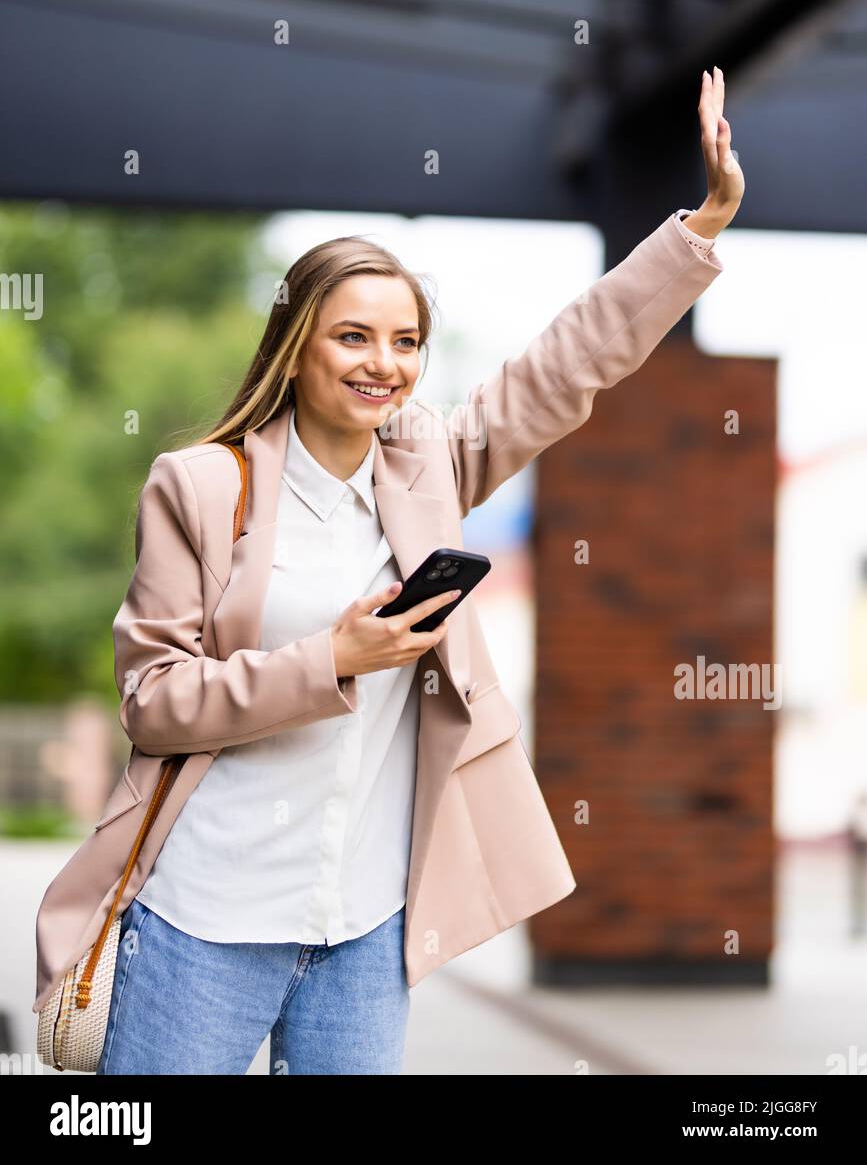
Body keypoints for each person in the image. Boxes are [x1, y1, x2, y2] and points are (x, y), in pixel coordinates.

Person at [93, 68, 743, 1074]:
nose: (382, 362)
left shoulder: (425, 463)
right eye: (353, 335)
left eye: (405, 342)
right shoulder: (198, 486)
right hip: (204, 917)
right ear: (295, 346)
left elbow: (566, 366)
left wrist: (699, 226)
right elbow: (153, 702)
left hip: (362, 924)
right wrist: (331, 659)